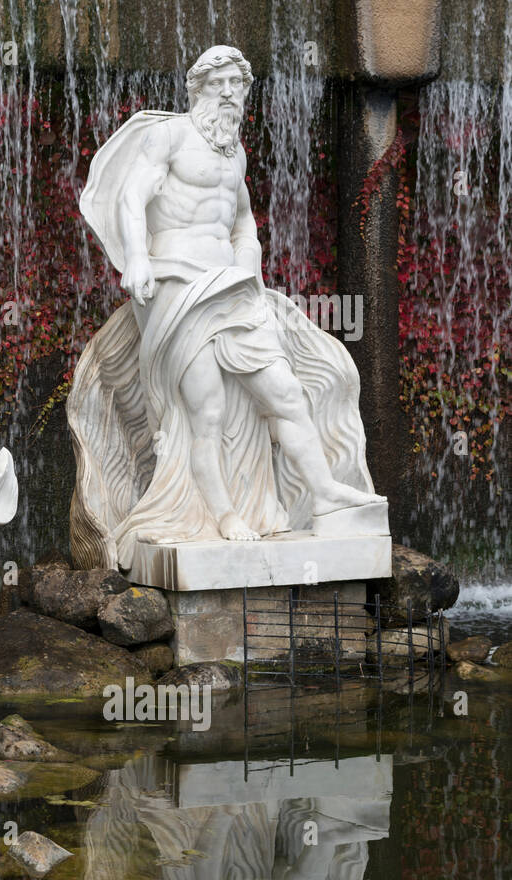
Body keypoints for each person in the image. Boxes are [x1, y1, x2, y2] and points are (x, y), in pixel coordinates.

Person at [75, 45, 383, 567]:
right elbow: (132, 198)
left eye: (236, 87)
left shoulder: (233, 152)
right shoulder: (167, 136)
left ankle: (326, 492)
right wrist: (138, 260)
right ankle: (222, 516)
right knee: (207, 411)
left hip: (234, 289)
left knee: (286, 393)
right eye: (218, 83)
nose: (227, 94)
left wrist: (249, 264)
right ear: (197, 88)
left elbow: (243, 221)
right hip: (177, 284)